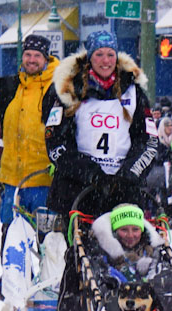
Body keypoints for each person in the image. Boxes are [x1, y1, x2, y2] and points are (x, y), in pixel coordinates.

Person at [43, 30, 157, 221]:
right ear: (89, 57)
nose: (106, 61)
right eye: (99, 54)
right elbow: (56, 143)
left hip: (123, 191)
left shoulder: (133, 92)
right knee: (78, 247)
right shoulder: (68, 90)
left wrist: (128, 175)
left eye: (110, 54)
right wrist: (91, 173)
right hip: (76, 191)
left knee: (129, 245)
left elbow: (148, 142)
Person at [0, 26, 60, 241]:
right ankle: (10, 276)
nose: (31, 60)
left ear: (46, 59)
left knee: (47, 245)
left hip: (44, 182)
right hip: (13, 182)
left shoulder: (59, 88)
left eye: (37, 56)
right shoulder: (9, 87)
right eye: (27, 54)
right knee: (11, 243)